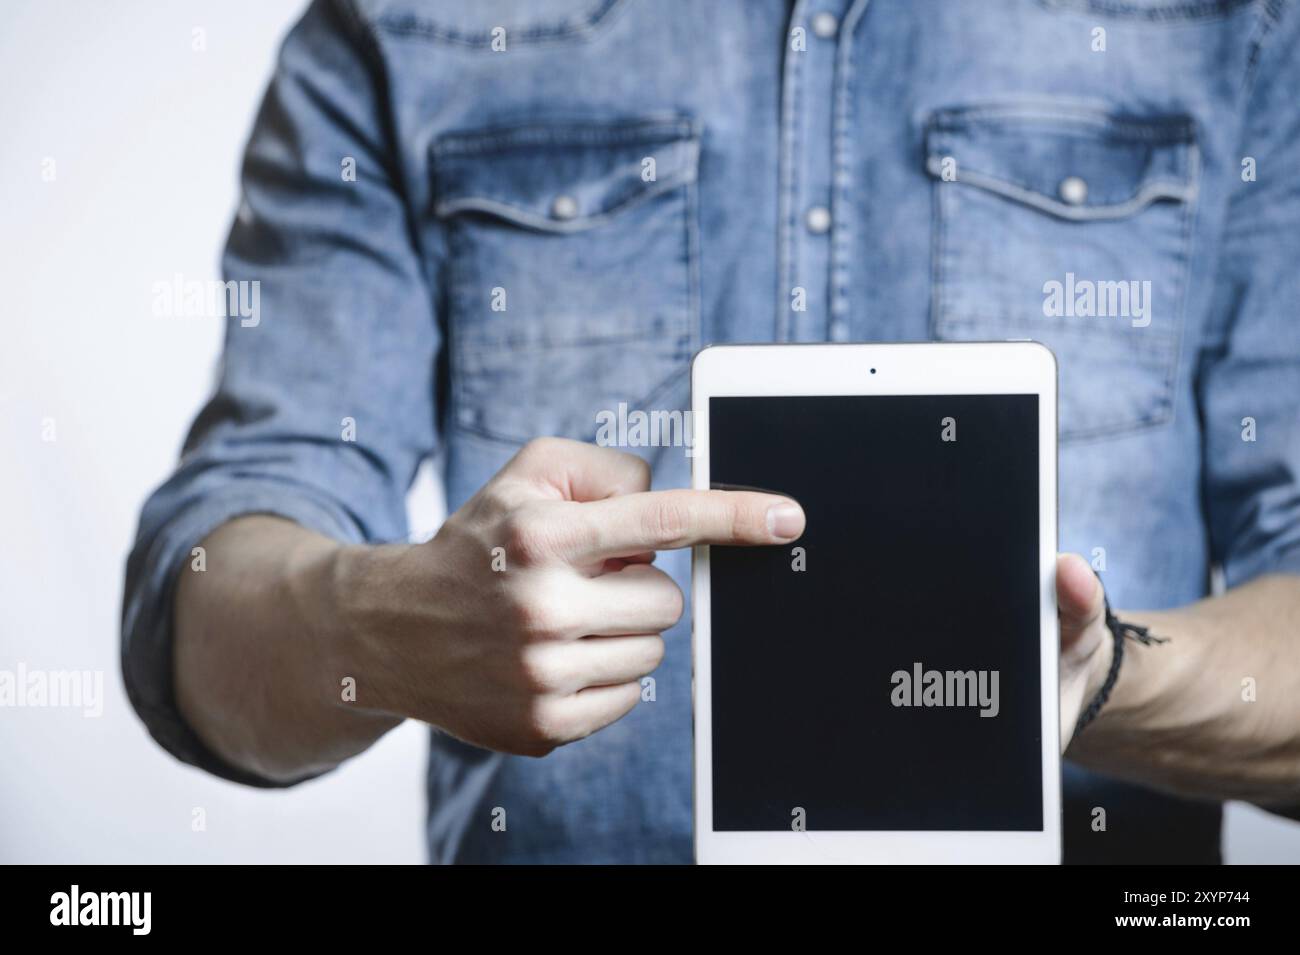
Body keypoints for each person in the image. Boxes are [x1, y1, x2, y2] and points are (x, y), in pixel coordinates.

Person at [122, 0, 1300, 864]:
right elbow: (205, 593)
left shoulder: (1236, 25)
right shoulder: (401, 26)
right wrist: (388, 623)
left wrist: (1092, 681)